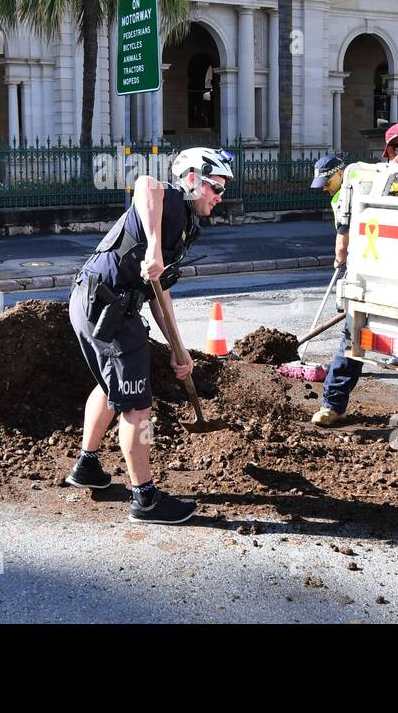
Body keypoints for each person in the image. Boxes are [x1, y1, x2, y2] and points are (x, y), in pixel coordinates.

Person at [66, 146, 233, 524]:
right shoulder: (171, 200)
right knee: (137, 406)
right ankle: (146, 500)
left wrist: (178, 349)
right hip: (107, 306)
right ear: (192, 179)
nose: (220, 197)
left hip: (95, 303)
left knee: (113, 389)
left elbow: (161, 293)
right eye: (215, 187)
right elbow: (145, 184)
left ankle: (87, 466)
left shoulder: (187, 224)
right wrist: (153, 248)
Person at [309, 123, 398, 426]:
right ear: (392, 150)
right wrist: (342, 260)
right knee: (353, 338)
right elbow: (345, 230)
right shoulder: (366, 179)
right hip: (374, 272)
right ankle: (333, 404)